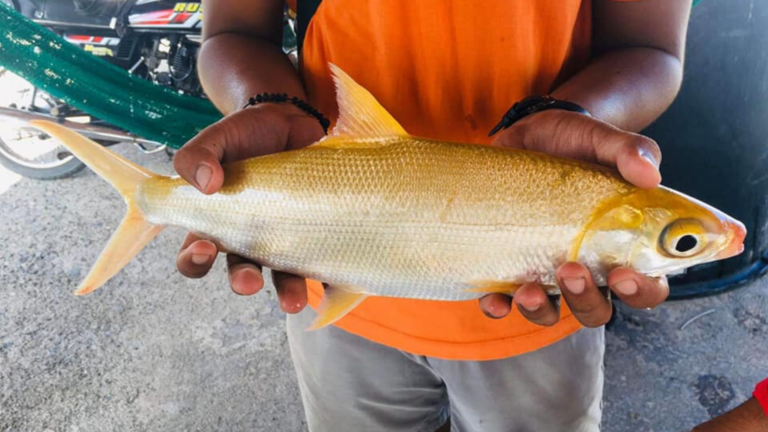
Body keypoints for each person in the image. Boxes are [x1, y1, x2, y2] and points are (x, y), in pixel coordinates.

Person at [174, 0, 691, 430]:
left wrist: (573, 115)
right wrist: (266, 104)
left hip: (534, 316)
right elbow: (235, 31)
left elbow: (648, 47)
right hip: (330, 276)